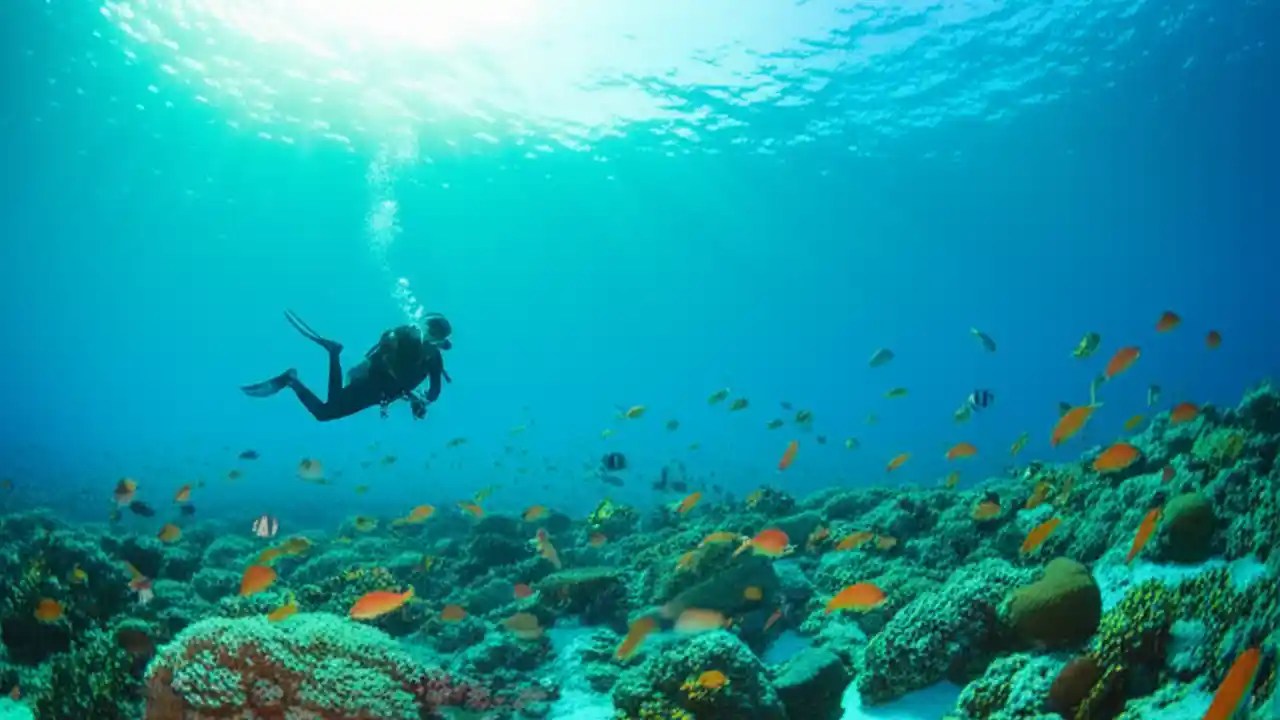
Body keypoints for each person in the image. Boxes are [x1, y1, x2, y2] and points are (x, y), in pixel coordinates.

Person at [241, 309, 451, 422]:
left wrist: (418, 402)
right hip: (371, 383)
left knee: (325, 412)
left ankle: (294, 378)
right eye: (431, 333)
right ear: (424, 329)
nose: (433, 340)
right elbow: (380, 355)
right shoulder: (405, 336)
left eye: (438, 338)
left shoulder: (434, 359)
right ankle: (324, 358)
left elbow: (433, 392)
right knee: (326, 412)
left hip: (380, 395)